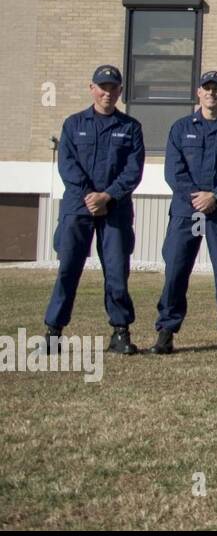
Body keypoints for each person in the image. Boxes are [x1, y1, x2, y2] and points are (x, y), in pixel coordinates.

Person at [44, 64, 145, 355]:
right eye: (102, 87)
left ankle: (120, 333)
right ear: (92, 89)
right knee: (68, 270)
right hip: (78, 208)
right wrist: (90, 196)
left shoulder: (130, 128)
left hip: (115, 211)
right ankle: (53, 332)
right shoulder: (73, 124)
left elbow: (132, 171)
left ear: (120, 92)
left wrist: (107, 196)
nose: (107, 93)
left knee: (116, 272)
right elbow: (67, 165)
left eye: (113, 88)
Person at [151, 70, 217, 356]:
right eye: (207, 88)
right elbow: (174, 171)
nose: (212, 93)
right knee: (176, 269)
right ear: (198, 92)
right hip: (188, 212)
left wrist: (215, 195)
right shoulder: (181, 128)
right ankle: (166, 332)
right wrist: (197, 199)